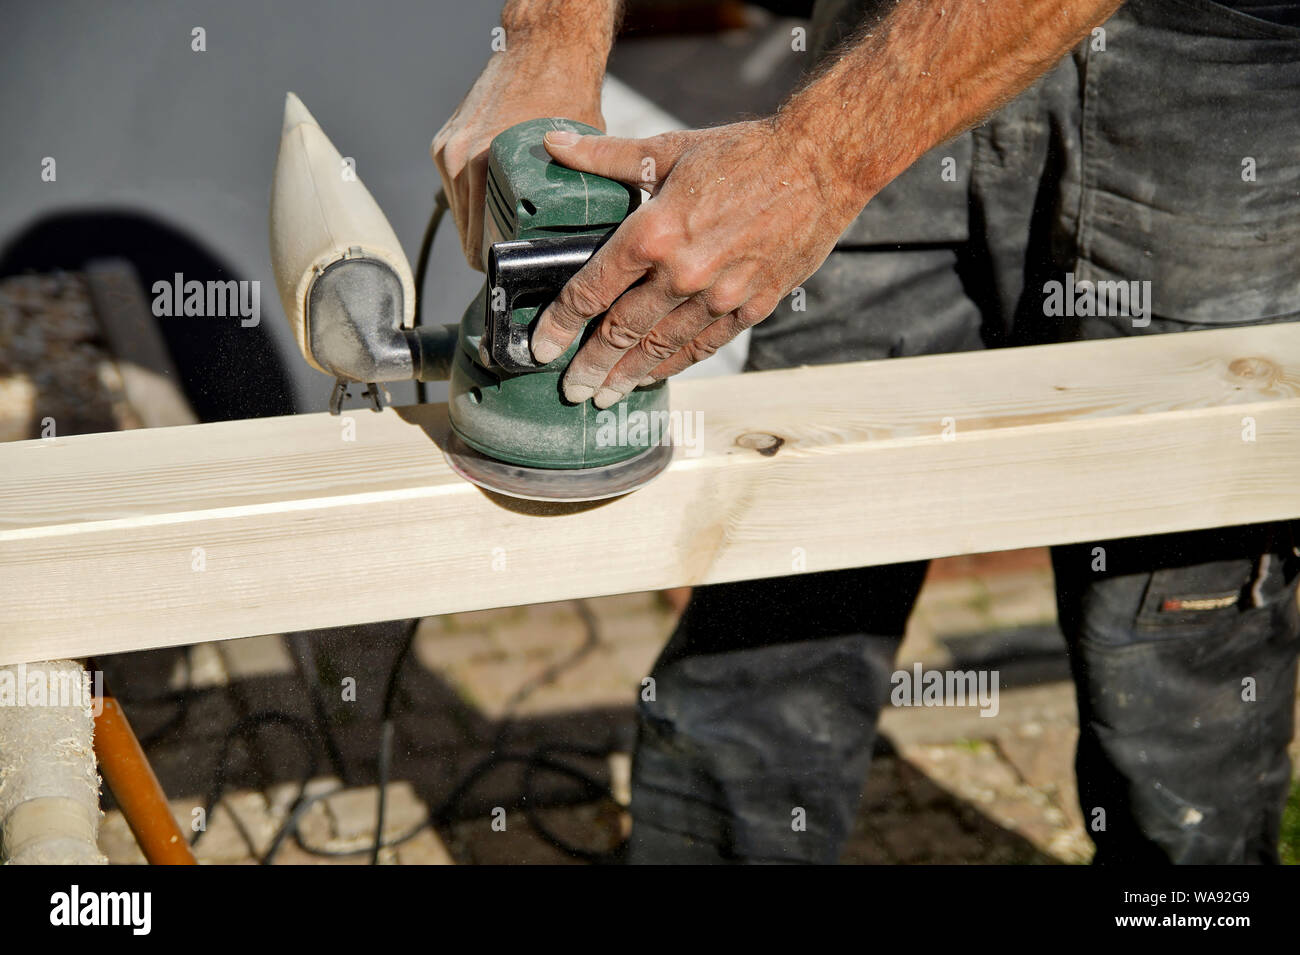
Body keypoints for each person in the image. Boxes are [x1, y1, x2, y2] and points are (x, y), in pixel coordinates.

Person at [433, 0, 1300, 863]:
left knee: (1182, 637)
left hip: (1209, 63)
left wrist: (813, 164)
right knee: (780, 576)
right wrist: (550, 35)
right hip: (887, 33)